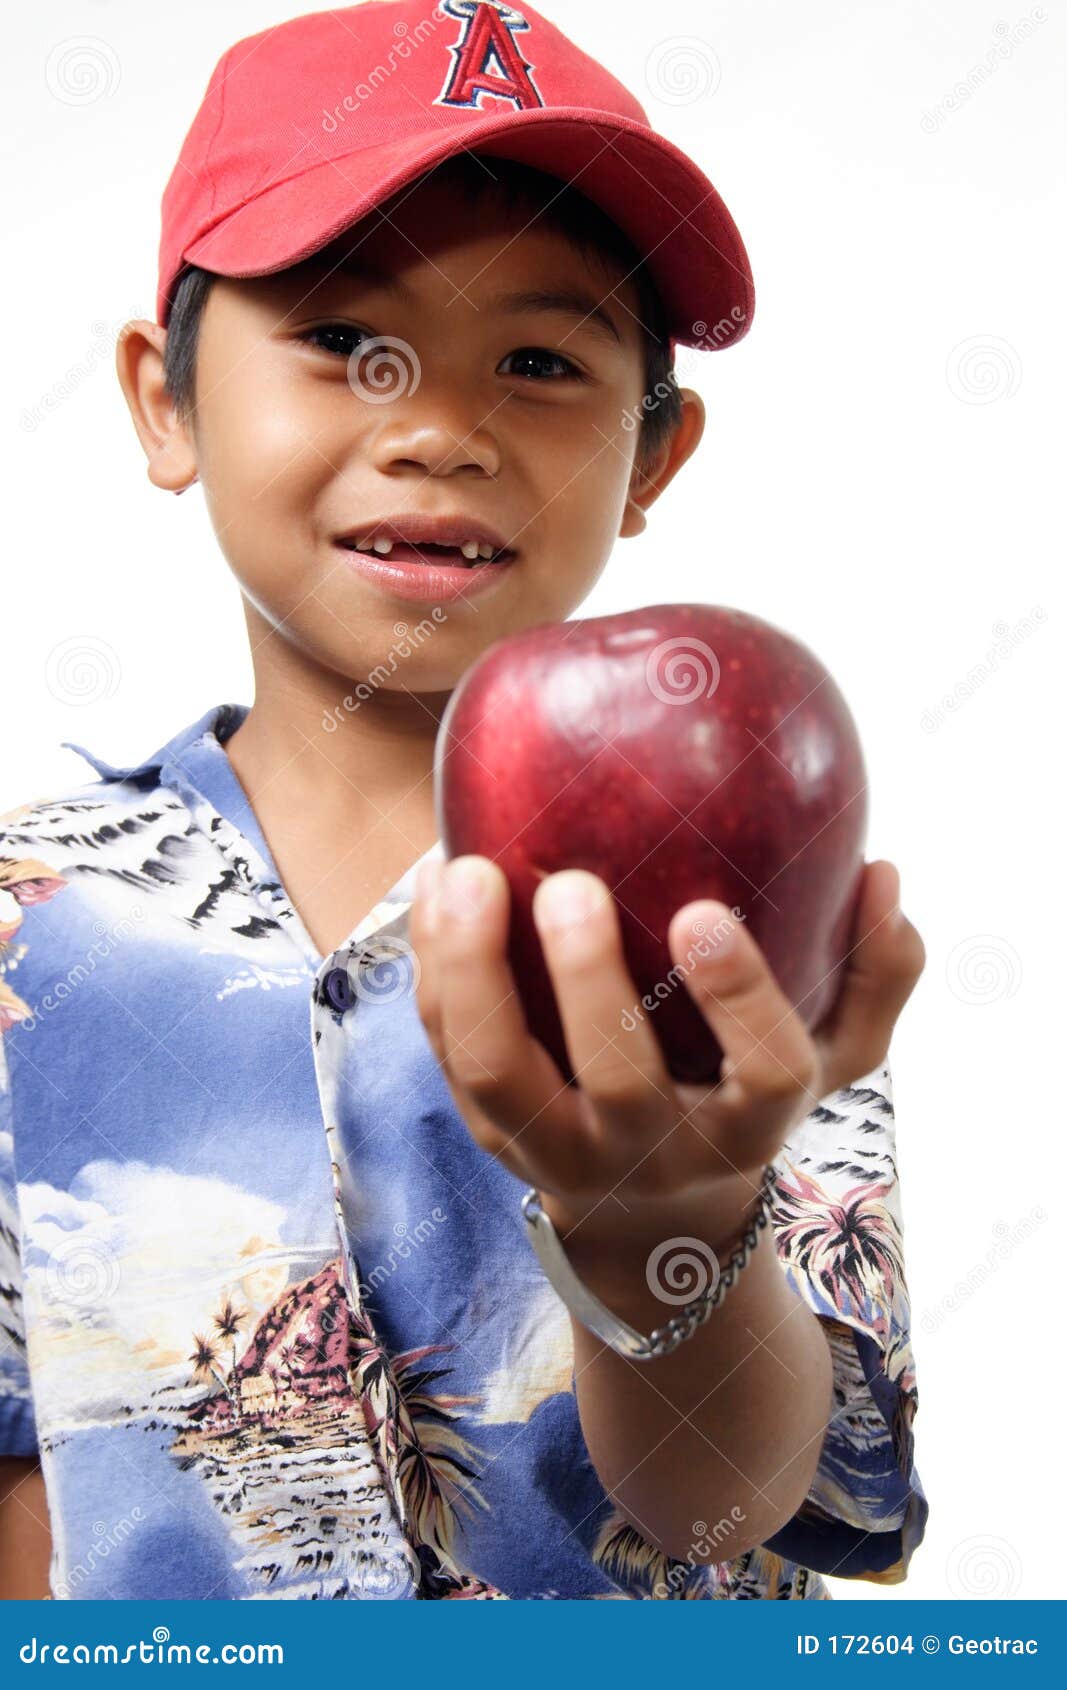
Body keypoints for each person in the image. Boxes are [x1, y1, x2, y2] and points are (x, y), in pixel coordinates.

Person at [0, 0, 927, 1600]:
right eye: (341, 338)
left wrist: (667, 1231)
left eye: (541, 362)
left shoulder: (726, 914)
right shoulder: (29, 917)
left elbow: (734, 1513)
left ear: (653, 456)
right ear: (165, 398)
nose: (439, 428)